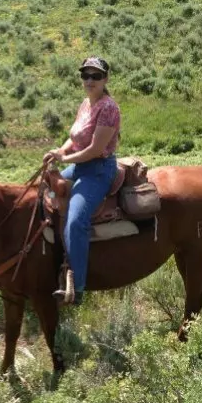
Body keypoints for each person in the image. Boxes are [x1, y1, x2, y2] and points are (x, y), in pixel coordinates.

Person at [43, 56, 121, 305]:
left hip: (97, 170)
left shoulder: (108, 108)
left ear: (105, 79)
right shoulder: (86, 104)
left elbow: (95, 150)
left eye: (96, 76)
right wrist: (59, 152)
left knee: (76, 221)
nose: (90, 80)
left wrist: (65, 160)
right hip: (80, 166)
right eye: (86, 75)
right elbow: (74, 138)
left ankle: (77, 289)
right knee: (46, 191)